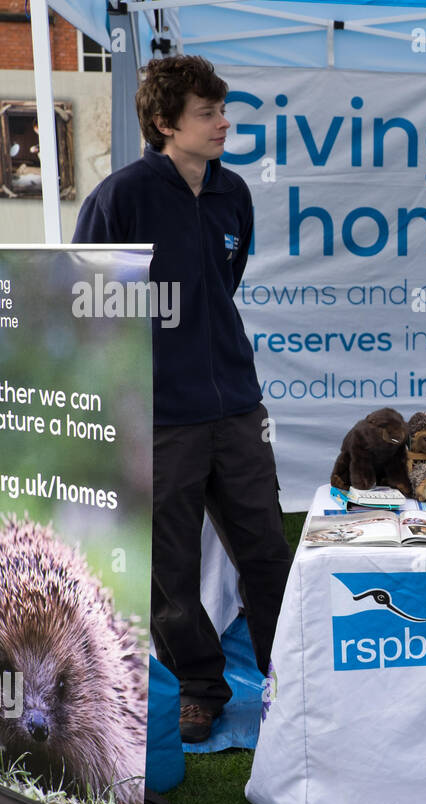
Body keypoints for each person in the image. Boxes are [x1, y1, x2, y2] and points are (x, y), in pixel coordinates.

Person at [73, 56, 292, 743]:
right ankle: (199, 685)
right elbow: (88, 299)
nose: (224, 123)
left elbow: (226, 279)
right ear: (166, 123)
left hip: (236, 405)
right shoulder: (121, 197)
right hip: (161, 416)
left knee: (264, 551)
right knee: (169, 567)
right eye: (208, 113)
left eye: (222, 110)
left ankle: (291, 681)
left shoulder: (233, 195)